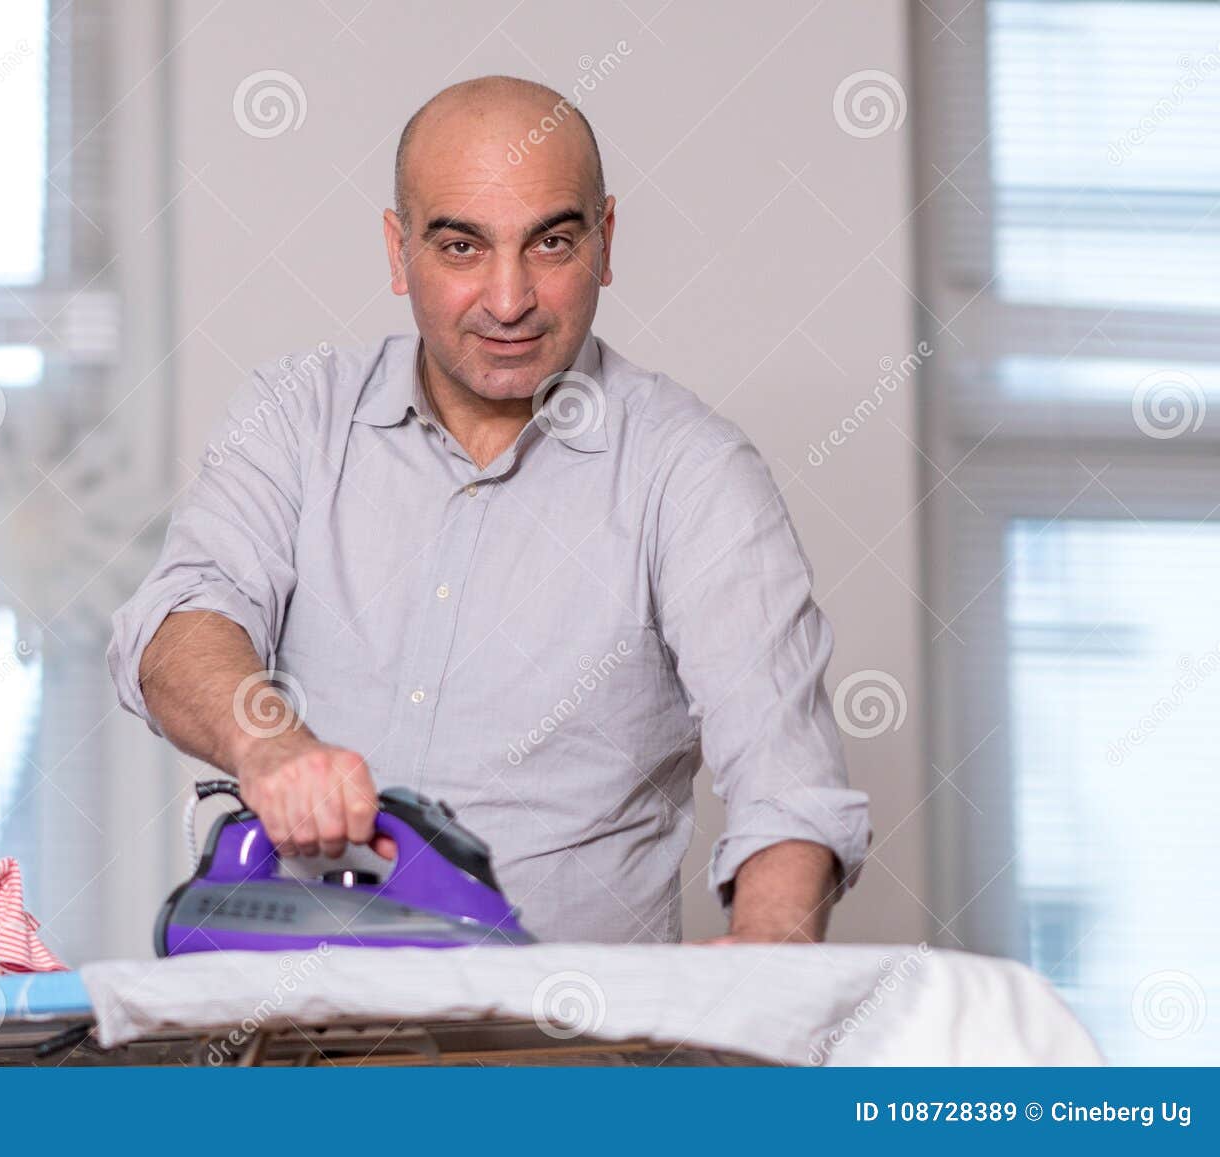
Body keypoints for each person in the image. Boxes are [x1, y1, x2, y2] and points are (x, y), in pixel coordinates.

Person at [108, 75, 871, 945]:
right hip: (287, 1044)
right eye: (462, 247)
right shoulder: (294, 417)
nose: (509, 301)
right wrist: (270, 744)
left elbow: (790, 785)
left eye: (550, 243)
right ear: (399, 253)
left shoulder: (691, 474)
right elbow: (178, 624)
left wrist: (763, 964)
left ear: (606, 241)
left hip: (561, 1057)